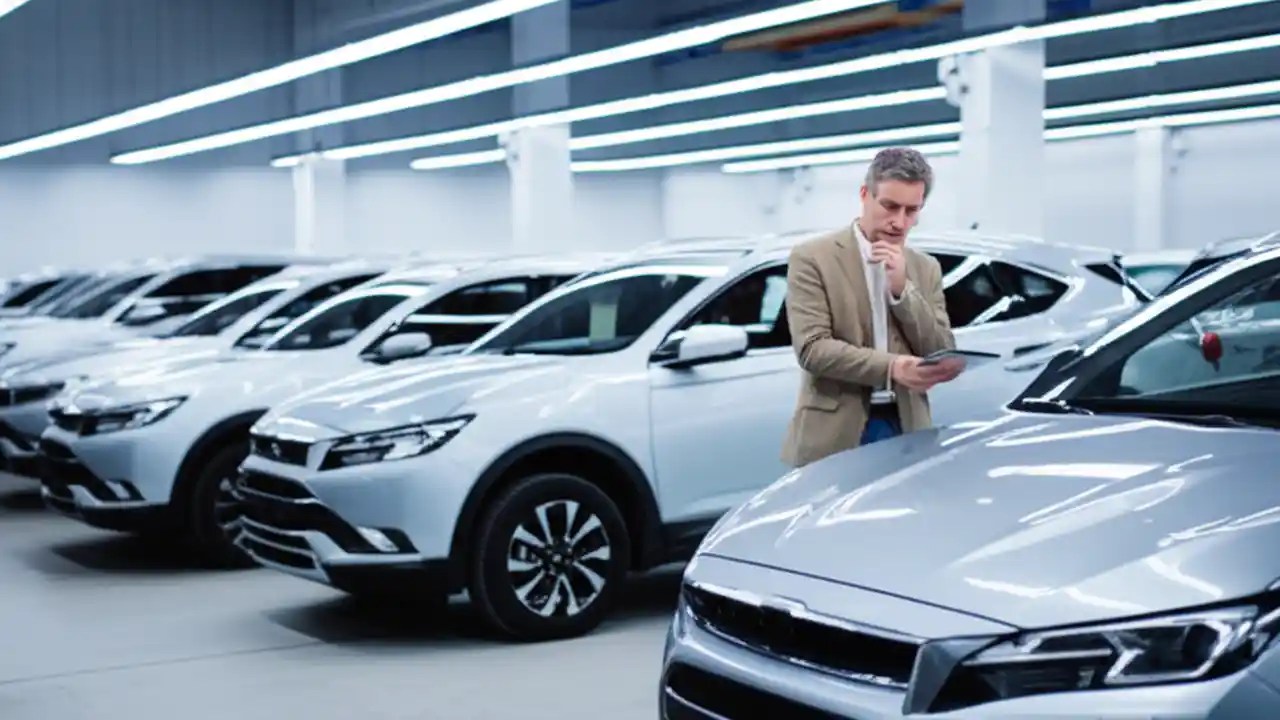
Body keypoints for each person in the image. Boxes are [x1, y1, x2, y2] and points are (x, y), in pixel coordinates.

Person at [781, 147, 962, 468]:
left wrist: (902, 290)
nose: (899, 222)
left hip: (907, 425)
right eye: (890, 206)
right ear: (865, 195)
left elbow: (940, 348)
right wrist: (893, 367)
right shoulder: (812, 258)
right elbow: (812, 349)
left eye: (911, 211)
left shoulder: (925, 267)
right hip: (836, 430)